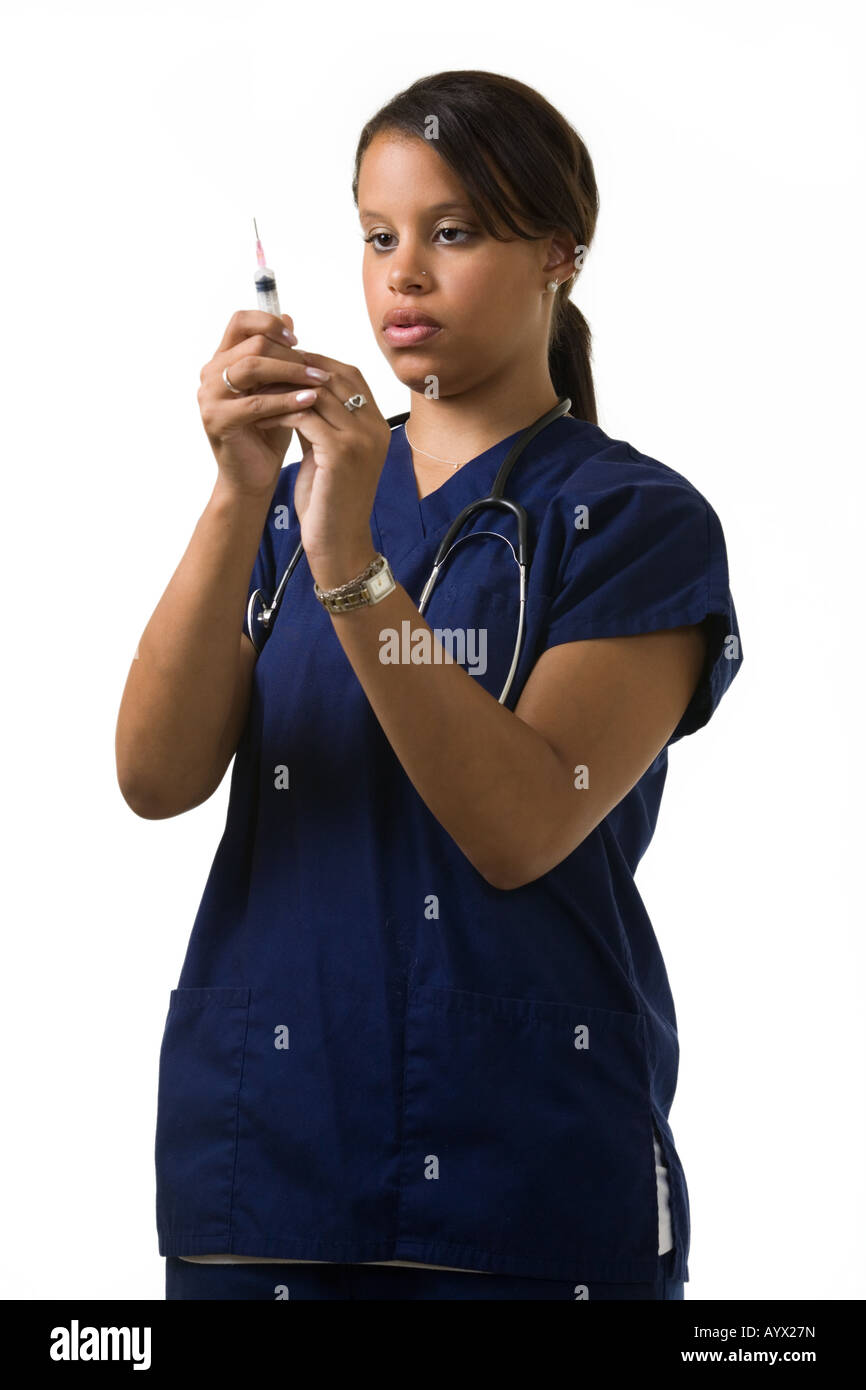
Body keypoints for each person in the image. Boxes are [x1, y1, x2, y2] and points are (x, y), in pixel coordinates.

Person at [116, 69, 743, 1302]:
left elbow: (517, 823)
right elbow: (152, 776)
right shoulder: (290, 507)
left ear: (561, 253)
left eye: (452, 232)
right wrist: (244, 489)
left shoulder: (632, 522)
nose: (401, 274)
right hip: (266, 1168)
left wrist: (351, 567)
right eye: (376, 234)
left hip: (527, 1174)